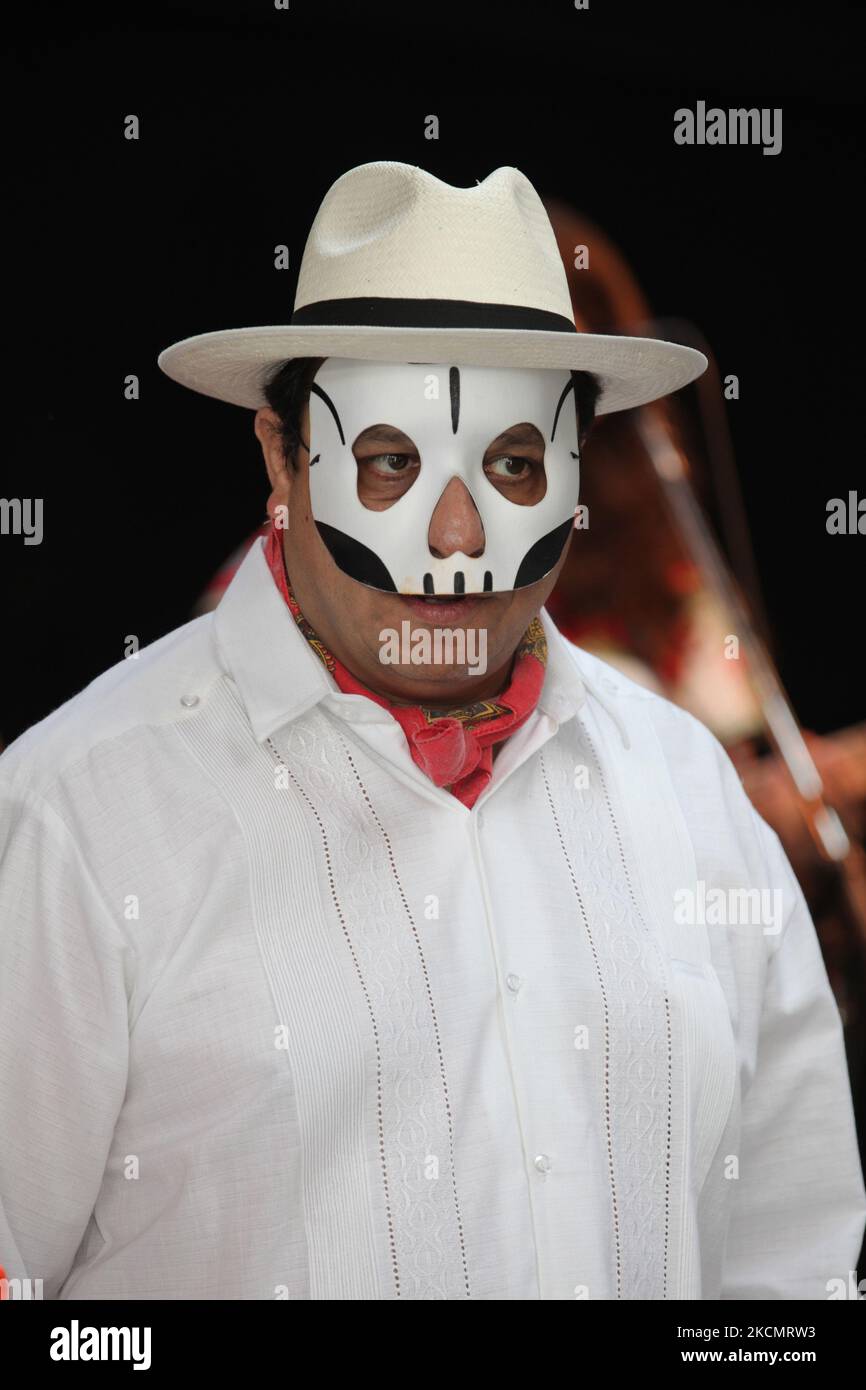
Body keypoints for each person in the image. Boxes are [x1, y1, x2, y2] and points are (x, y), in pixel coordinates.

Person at [0, 160, 863, 1301]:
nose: (455, 537)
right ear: (280, 456)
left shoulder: (684, 791)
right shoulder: (80, 815)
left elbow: (787, 1269)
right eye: (390, 461)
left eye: (511, 463)